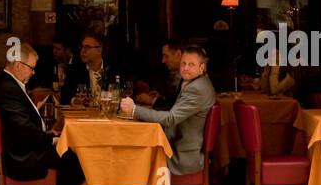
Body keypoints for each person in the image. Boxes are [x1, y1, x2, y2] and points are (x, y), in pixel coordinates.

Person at [0, 38, 85, 185]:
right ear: (17, 65)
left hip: (24, 148)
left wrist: (48, 135)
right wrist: (50, 140)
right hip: (20, 157)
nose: (33, 72)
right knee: (75, 157)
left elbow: (23, 127)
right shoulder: (7, 88)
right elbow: (23, 129)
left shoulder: (8, 84)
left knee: (72, 152)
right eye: (31, 67)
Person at [121, 46, 217, 176]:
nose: (185, 68)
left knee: (132, 149)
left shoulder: (197, 88)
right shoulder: (192, 81)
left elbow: (170, 119)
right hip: (177, 142)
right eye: (183, 63)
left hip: (181, 154)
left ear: (202, 67)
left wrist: (135, 110)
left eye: (191, 64)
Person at [60, 28, 113, 105]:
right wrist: (75, 101)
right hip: (84, 115)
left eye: (87, 47)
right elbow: (64, 97)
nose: (83, 51)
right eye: (82, 47)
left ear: (99, 50)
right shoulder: (75, 70)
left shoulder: (112, 70)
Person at [136, 40, 184, 108]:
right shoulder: (180, 75)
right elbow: (175, 101)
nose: (163, 61)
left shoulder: (188, 78)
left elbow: (176, 108)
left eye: (166, 56)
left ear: (178, 54)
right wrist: (162, 98)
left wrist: (151, 101)